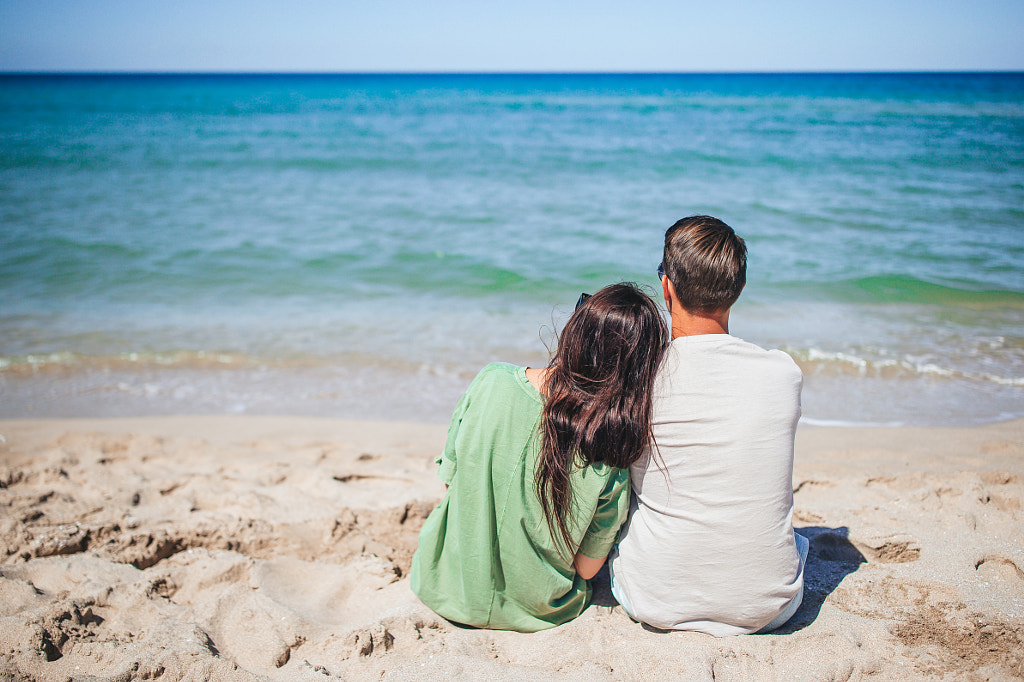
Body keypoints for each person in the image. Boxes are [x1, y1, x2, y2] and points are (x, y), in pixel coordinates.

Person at [410, 283, 669, 632]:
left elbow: (450, 479)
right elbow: (586, 569)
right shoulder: (610, 452)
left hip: (443, 587)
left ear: (574, 332)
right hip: (541, 610)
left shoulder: (490, 382)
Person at [608, 216, 808, 636]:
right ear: (738, 290)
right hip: (769, 606)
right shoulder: (783, 373)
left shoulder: (641, 374)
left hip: (653, 599)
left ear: (667, 288)